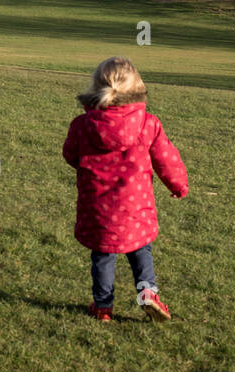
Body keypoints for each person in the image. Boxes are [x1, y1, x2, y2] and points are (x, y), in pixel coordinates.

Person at [62, 56, 189, 321]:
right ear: (137, 90)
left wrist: (87, 166)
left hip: (98, 208)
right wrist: (178, 185)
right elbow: (166, 159)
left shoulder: (82, 126)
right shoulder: (148, 124)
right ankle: (147, 292)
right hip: (136, 206)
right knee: (141, 249)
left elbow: (70, 154)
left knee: (103, 256)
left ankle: (103, 306)